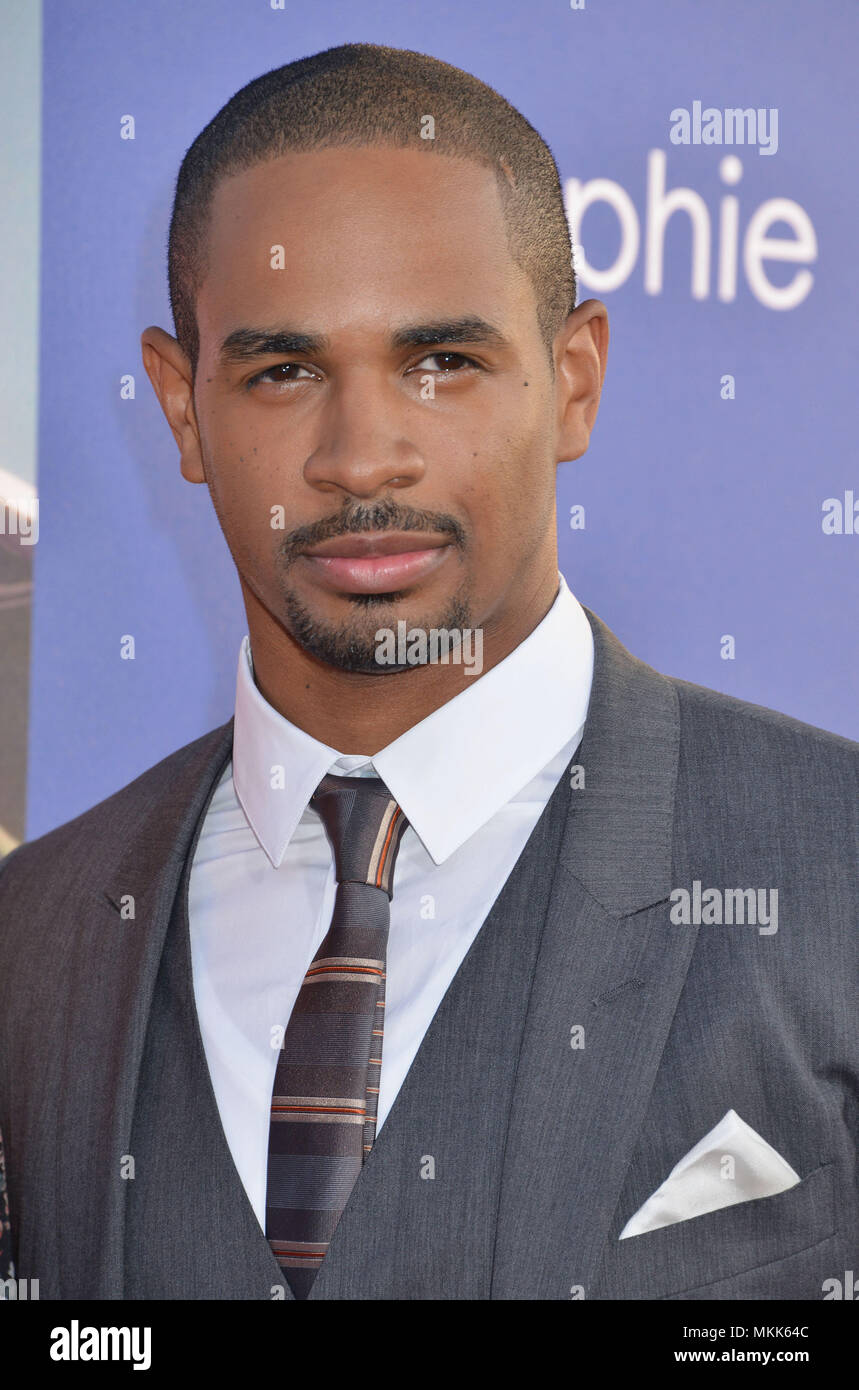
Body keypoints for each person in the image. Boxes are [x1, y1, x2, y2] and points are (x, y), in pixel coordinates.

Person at [0, 43, 855, 1301]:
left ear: (573, 380)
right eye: (284, 371)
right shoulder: (34, 937)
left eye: (440, 362)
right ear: (183, 410)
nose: (362, 456)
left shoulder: (833, 863)